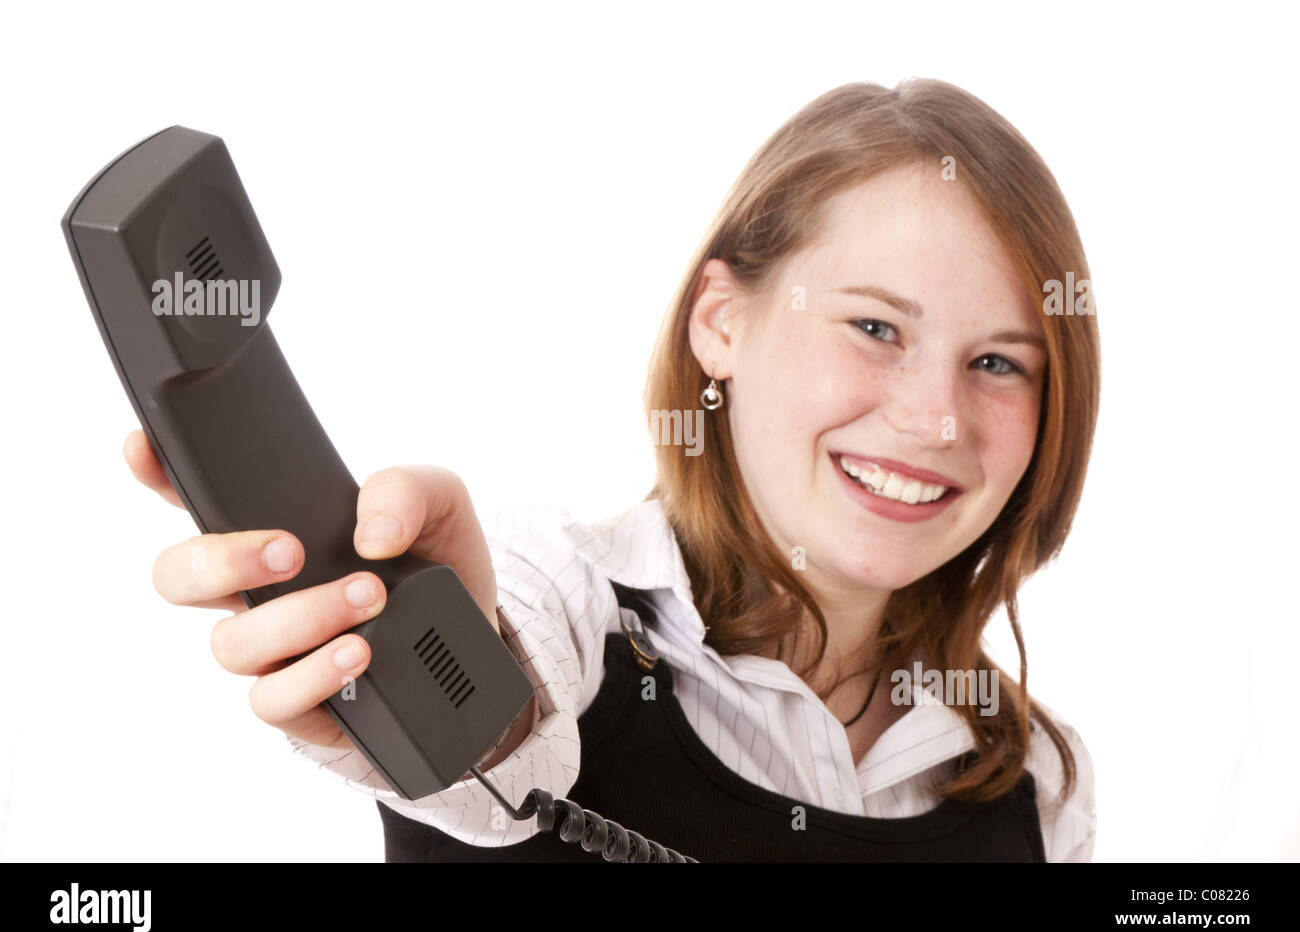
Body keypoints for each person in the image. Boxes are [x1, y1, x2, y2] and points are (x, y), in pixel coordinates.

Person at [125, 78, 1098, 862]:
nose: (935, 418)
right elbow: (507, 720)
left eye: (997, 361)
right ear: (720, 322)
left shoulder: (1037, 783)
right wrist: (446, 689)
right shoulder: (557, 596)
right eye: (875, 327)